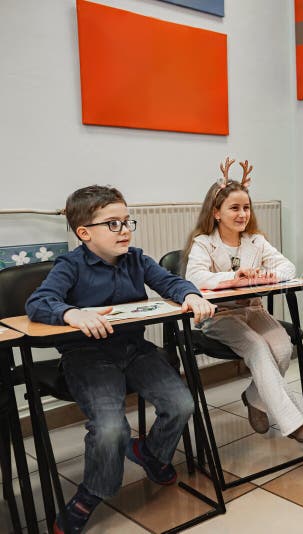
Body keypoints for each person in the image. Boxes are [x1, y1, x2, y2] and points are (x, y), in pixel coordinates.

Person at [26, 185, 215, 534]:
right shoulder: (69, 265)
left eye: (127, 221)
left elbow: (170, 281)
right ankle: (92, 491)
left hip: (134, 350)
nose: (124, 229)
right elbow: (38, 303)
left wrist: (191, 294)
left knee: (181, 404)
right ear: (84, 233)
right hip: (87, 356)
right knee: (111, 428)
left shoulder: (137, 259)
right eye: (112, 223)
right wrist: (71, 314)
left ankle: (151, 453)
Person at [184, 158, 303, 442]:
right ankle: (292, 422)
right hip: (219, 315)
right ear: (217, 212)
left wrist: (265, 276)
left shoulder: (256, 241)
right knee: (258, 347)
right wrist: (232, 278)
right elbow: (195, 278)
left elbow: (287, 268)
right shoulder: (203, 243)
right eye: (234, 208)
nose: (242, 213)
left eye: (246, 207)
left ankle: (254, 398)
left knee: (282, 346)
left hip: (253, 310)